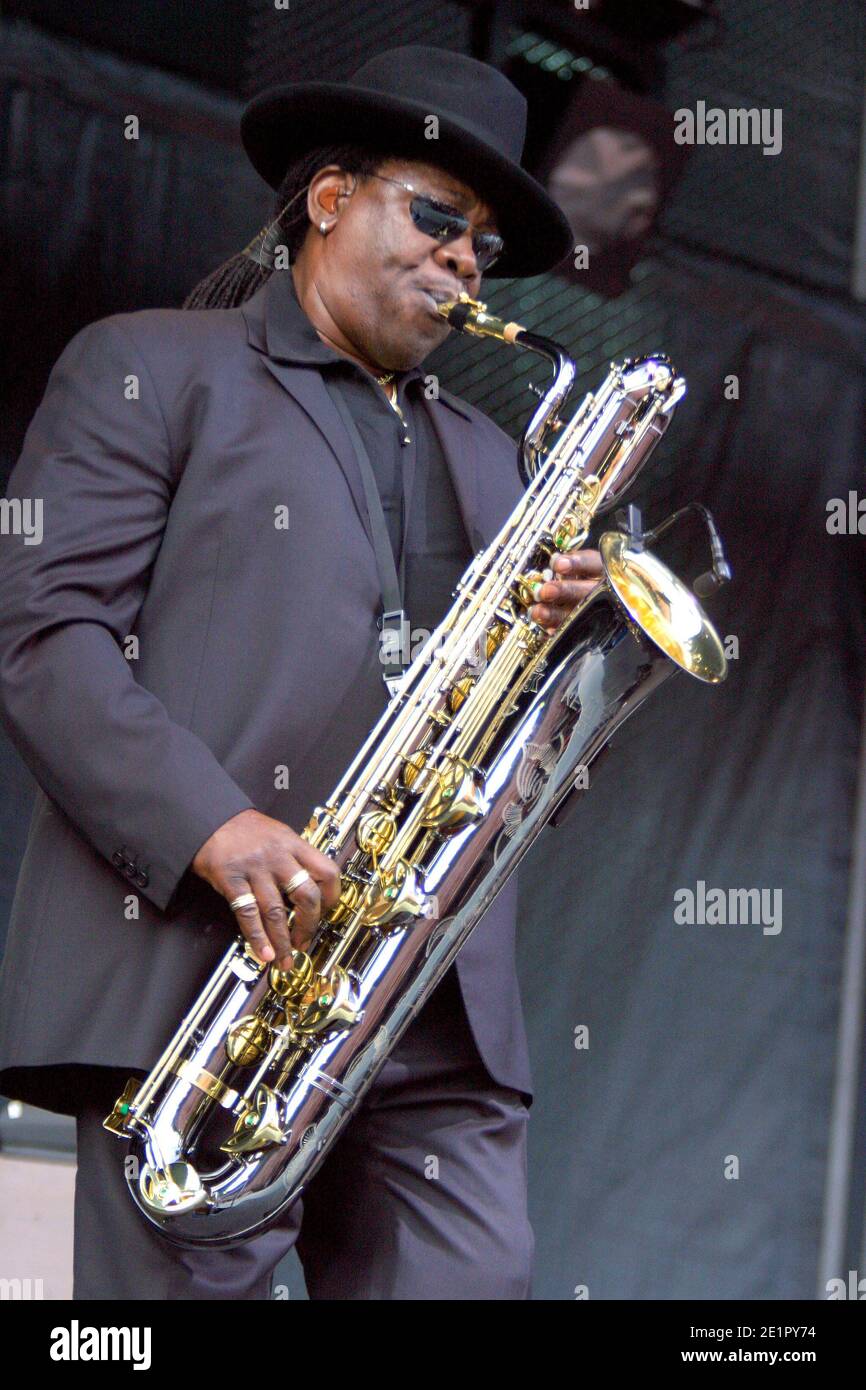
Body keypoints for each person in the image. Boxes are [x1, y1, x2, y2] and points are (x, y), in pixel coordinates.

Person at [0, 45, 603, 1299]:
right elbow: (41, 633)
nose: (460, 263)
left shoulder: (500, 457)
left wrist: (584, 618)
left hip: (424, 994)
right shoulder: (151, 365)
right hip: (198, 976)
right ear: (329, 199)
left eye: (481, 248)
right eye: (437, 219)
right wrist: (210, 823)